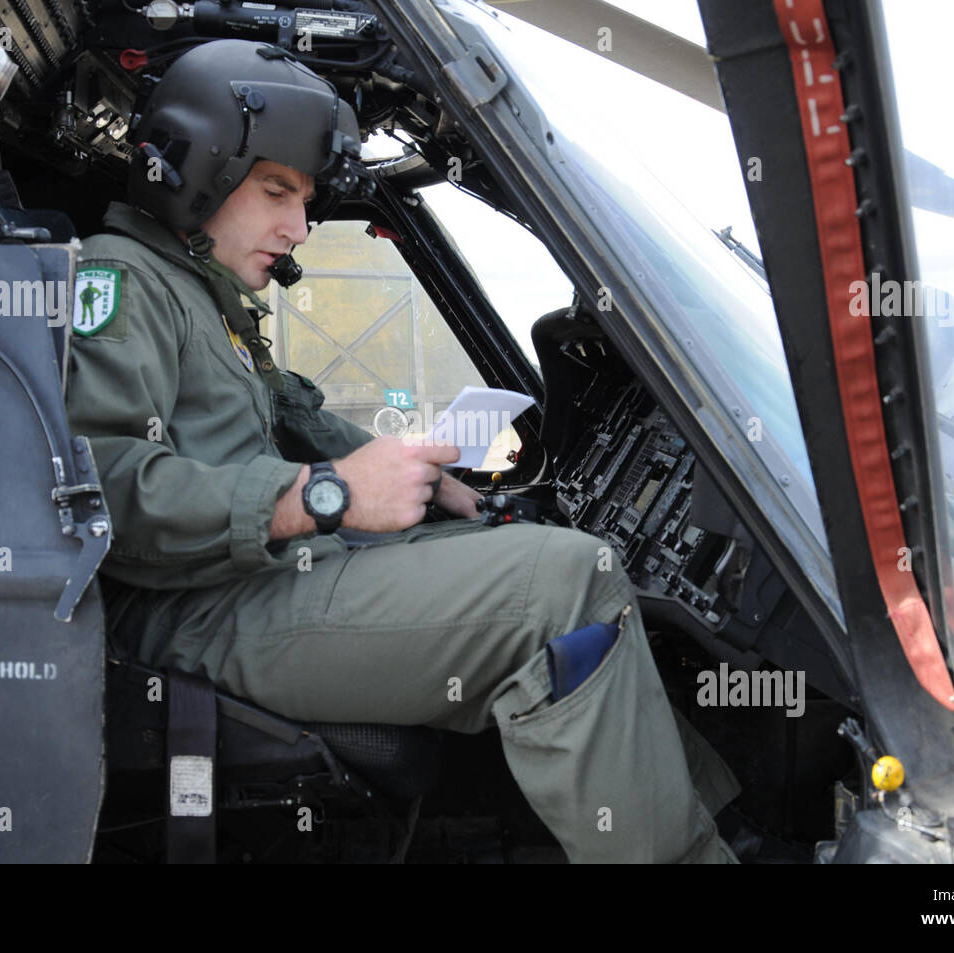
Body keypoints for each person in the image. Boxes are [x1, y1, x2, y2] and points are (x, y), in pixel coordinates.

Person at [65, 38, 737, 863]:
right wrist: (325, 496)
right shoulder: (122, 279)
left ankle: (722, 827)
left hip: (254, 579)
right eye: (278, 190)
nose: (298, 227)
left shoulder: (206, 297)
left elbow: (296, 420)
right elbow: (104, 489)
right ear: (193, 168)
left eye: (305, 201)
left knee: (523, 548)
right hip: (196, 610)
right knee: (568, 584)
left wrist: (430, 481)